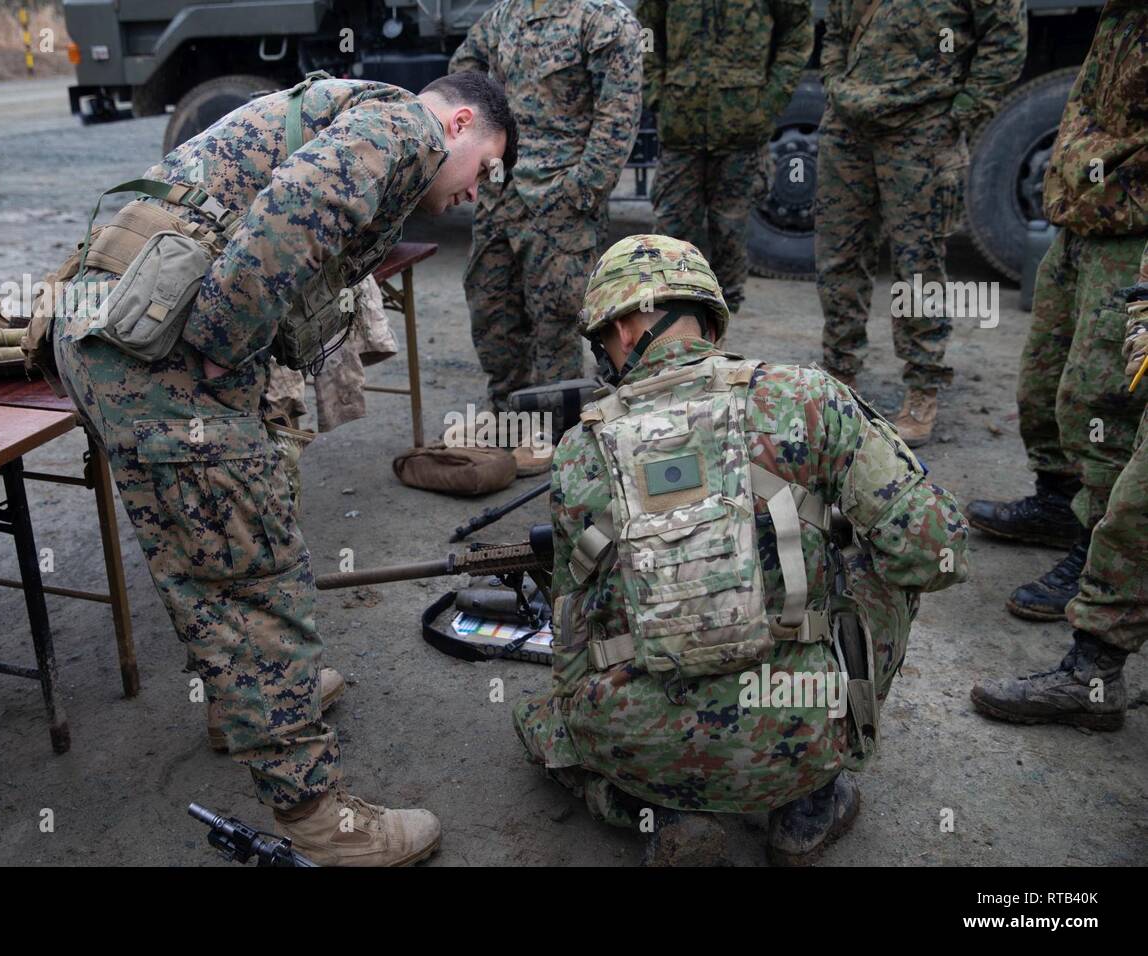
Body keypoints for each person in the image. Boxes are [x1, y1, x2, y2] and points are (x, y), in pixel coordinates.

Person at [49, 71, 514, 866]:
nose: (478, 192)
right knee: (263, 578)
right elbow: (288, 226)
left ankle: (243, 708)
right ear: (460, 123)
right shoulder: (406, 129)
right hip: (166, 365)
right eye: (487, 168)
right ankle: (320, 822)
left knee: (200, 565)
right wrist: (223, 374)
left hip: (108, 341)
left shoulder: (352, 111)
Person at [513, 235, 970, 864]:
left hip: (641, 747)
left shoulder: (576, 451)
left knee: (537, 718)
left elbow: (572, 625)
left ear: (621, 328)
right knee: (884, 564)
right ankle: (812, 803)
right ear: (706, 317)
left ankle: (657, 813)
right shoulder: (807, 397)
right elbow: (933, 548)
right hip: (803, 729)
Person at [966, 1, 1148, 621]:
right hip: (1083, 217)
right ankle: (1056, 500)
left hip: (1133, 229)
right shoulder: (1122, 15)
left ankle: (1100, 551)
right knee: (1044, 383)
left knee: (1102, 399)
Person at [815, 0, 1025, 446]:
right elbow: (834, 29)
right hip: (847, 128)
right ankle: (839, 373)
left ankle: (922, 388)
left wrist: (962, 112)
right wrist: (835, 82)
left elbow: (1005, 38)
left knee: (918, 267)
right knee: (839, 256)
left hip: (922, 127)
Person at [449, 0, 642, 446]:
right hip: (500, 195)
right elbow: (464, 75)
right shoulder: (505, 14)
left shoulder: (603, 20)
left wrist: (581, 190)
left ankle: (564, 441)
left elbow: (619, 115)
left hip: (561, 201)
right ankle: (508, 421)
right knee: (491, 312)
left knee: (557, 326)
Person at [971, 249, 1148, 731]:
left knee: (1135, 507)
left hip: (1120, 220)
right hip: (1086, 215)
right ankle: (1096, 674)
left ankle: (1094, 676)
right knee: (1059, 396)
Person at [637, 0, 812, 314]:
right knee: (670, 235)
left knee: (730, 233)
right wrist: (656, 94)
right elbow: (646, 32)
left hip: (741, 131)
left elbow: (796, 34)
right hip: (682, 131)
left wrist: (769, 103)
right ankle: (666, 322)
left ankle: (724, 321)